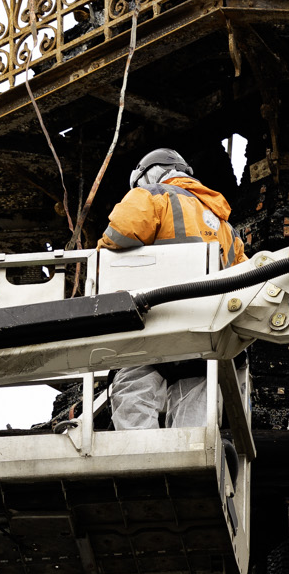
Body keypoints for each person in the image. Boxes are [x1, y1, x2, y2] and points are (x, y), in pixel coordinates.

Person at [99, 148, 246, 430]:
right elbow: (244, 277)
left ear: (149, 173)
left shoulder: (152, 195)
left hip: (156, 321)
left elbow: (115, 239)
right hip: (209, 331)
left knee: (133, 388)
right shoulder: (227, 225)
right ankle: (190, 463)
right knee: (194, 414)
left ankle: (142, 461)